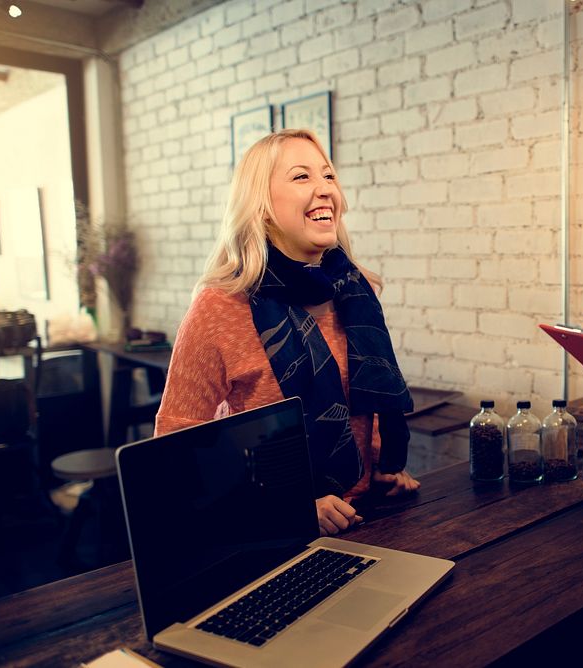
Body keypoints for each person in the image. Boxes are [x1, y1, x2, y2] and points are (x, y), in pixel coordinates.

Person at [156, 128, 419, 536]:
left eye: (328, 176)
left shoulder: (353, 291)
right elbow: (175, 453)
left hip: (366, 518)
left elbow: (361, 403)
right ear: (260, 207)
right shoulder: (221, 306)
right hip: (268, 534)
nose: (325, 189)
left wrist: (381, 467)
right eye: (302, 177)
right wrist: (290, 505)